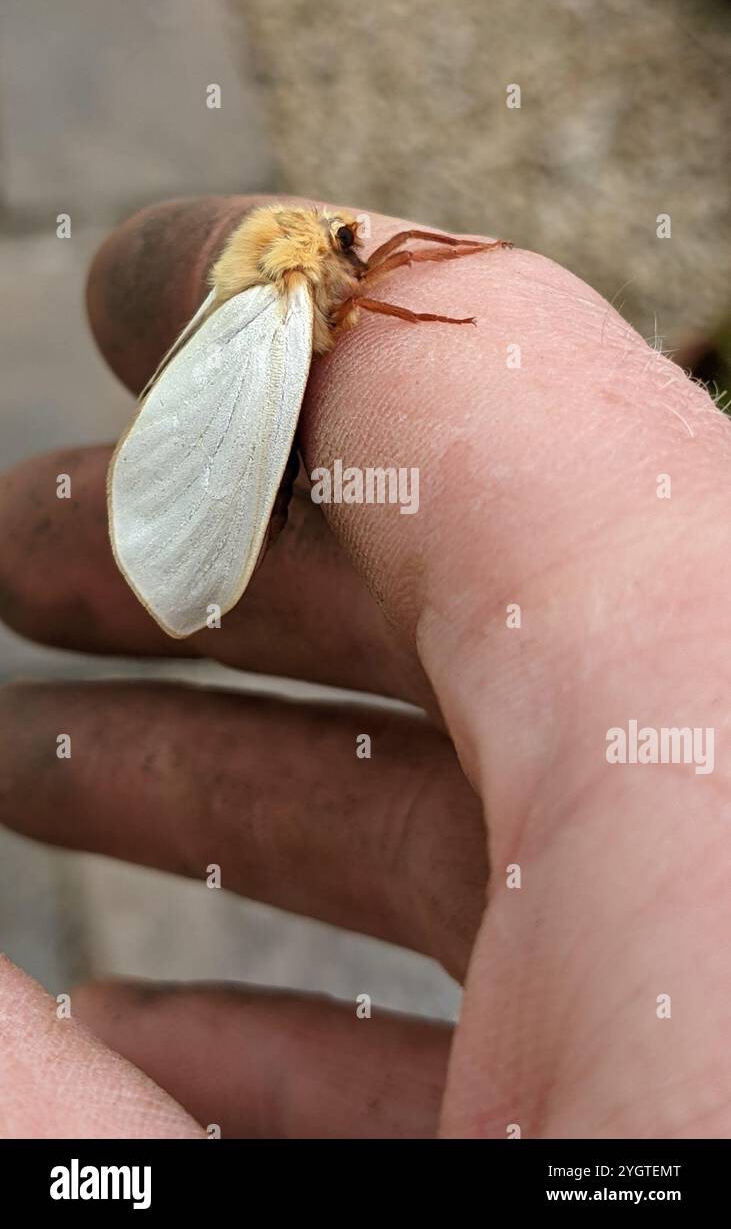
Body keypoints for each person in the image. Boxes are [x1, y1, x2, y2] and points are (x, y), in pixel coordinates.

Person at [0, 196, 728, 1138]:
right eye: (349, 245)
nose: (362, 249)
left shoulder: (295, 281)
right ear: (317, 258)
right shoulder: (295, 295)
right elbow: (369, 297)